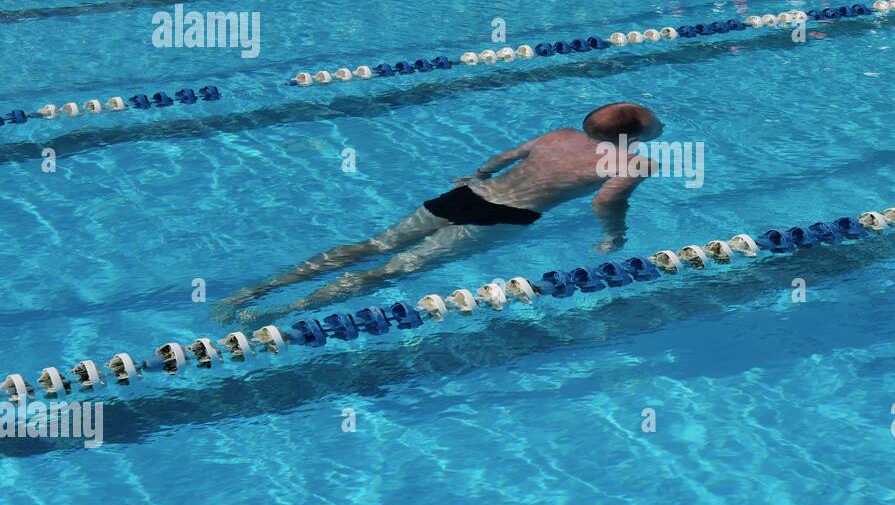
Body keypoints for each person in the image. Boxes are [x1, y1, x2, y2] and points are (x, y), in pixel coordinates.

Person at [217, 102, 662, 322]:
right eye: (652, 121)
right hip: (502, 217)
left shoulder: (559, 135)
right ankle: (283, 314)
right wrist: (614, 236)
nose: (658, 123)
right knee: (388, 272)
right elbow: (606, 201)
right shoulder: (634, 162)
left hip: (468, 194)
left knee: (371, 247)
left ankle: (254, 292)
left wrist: (472, 176)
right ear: (637, 135)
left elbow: (502, 157)